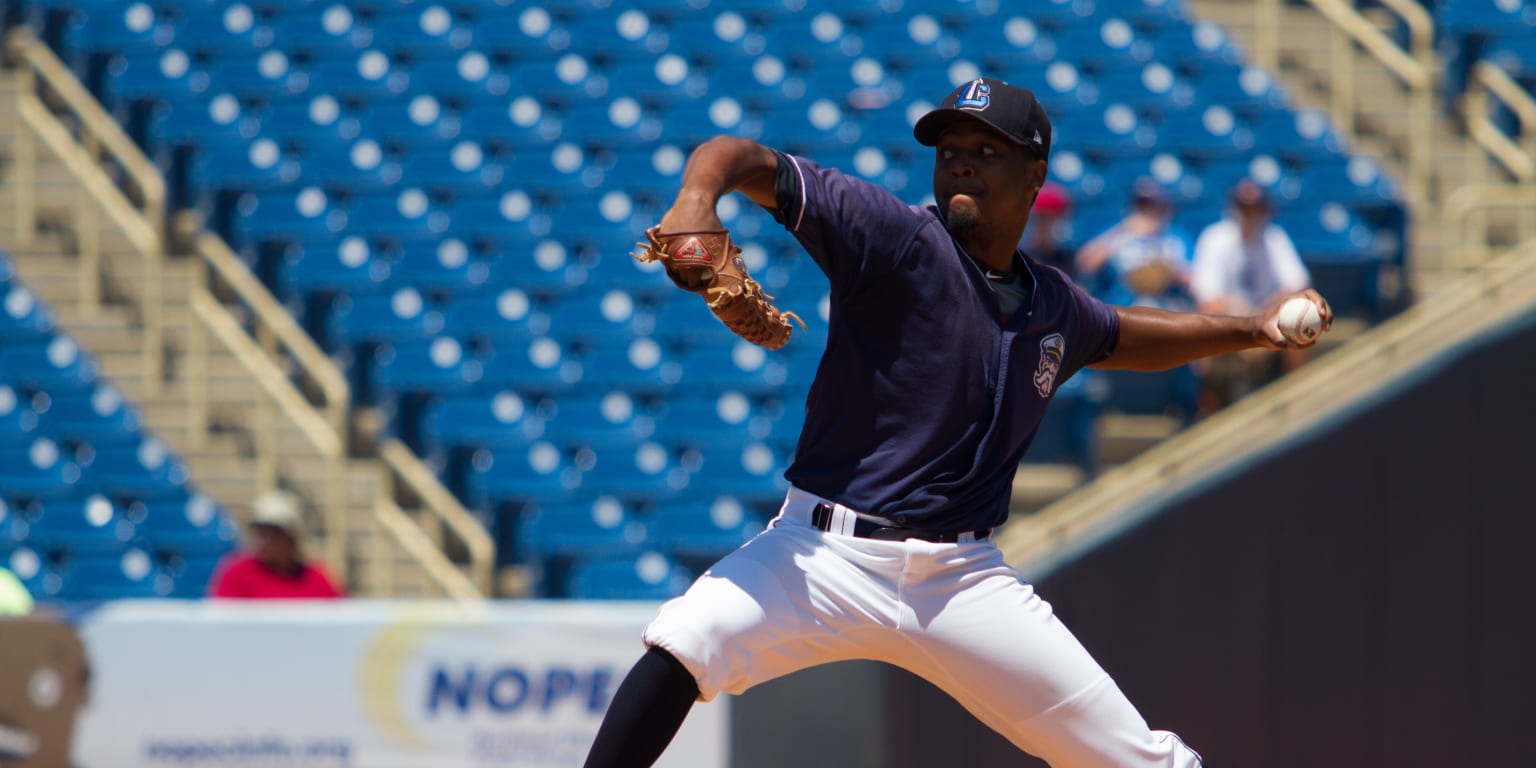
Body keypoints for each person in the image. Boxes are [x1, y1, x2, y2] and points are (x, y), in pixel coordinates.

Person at [583, 77, 1331, 768]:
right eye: (950, 153)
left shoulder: (1054, 305)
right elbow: (737, 156)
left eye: (986, 152)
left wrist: (1254, 328)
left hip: (963, 583)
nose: (962, 166)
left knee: (1140, 759)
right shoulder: (894, 237)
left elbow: (1128, 334)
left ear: (1035, 178)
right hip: (818, 557)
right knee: (689, 639)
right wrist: (695, 201)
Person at [1190, 178, 1314, 410]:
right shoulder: (1215, 237)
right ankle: (1205, 404)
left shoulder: (1273, 238)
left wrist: (1265, 312)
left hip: (1268, 318)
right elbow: (1207, 295)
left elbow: (1298, 284)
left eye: (1255, 207)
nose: (1250, 214)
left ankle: (1298, 401)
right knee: (1204, 317)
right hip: (1227, 319)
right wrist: (1241, 313)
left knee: (1300, 317)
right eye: (1244, 207)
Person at [1075, 177, 1195, 311]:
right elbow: (1084, 263)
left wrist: (1167, 265)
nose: (1148, 210)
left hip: (1166, 309)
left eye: (1153, 204)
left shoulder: (1175, 237)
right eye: (1141, 204)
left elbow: (1195, 281)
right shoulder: (1118, 233)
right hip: (1121, 310)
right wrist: (1123, 231)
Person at [207, 489, 345, 599]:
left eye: (273, 533)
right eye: (260, 532)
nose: (264, 540)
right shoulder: (237, 574)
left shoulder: (317, 579)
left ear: (291, 537)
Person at [1025, 180, 1077, 276]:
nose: (1045, 225)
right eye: (1041, 218)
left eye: (1051, 219)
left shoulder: (1068, 258)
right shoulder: (1017, 257)